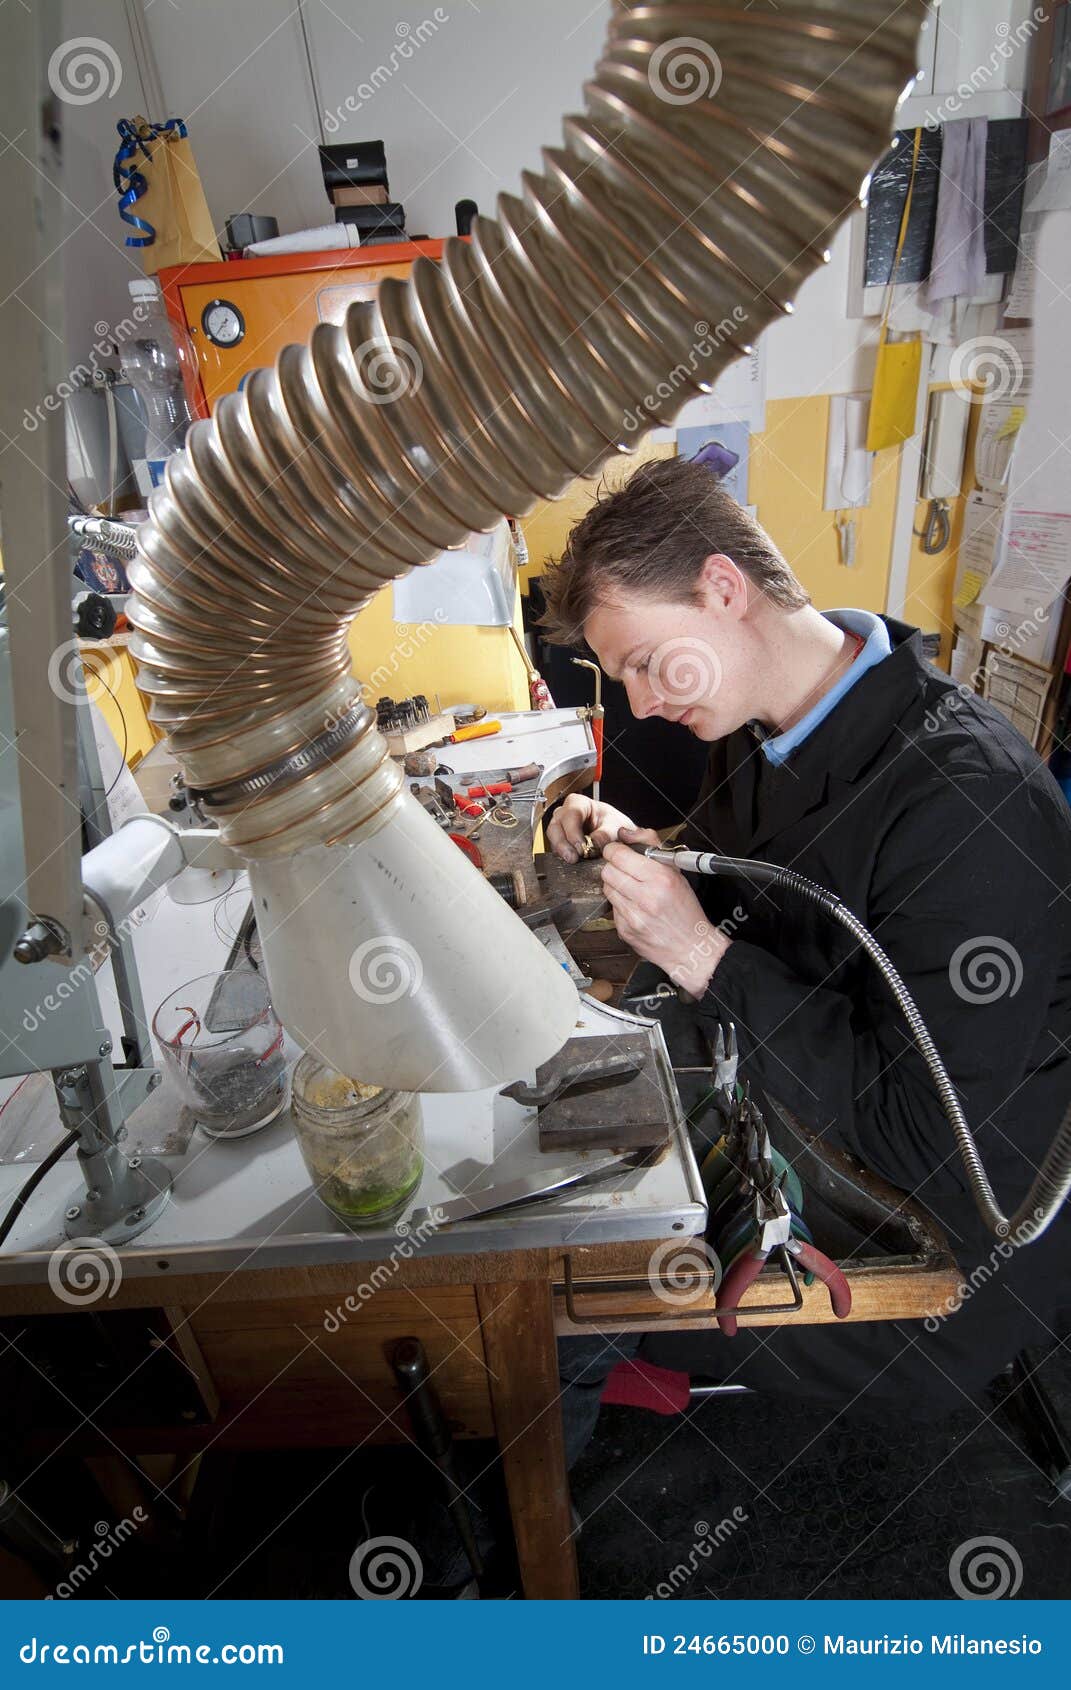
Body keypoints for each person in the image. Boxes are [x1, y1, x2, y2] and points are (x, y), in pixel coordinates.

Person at [541, 455, 1071, 1428]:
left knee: (566, 1290)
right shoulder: (762, 725)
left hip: (932, 1244)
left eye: (648, 664)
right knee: (558, 1186)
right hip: (794, 1126)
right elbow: (767, 885)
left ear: (724, 589)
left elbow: (927, 1139)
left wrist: (702, 955)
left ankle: (522, 1548)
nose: (644, 705)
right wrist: (648, 846)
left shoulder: (966, 803)